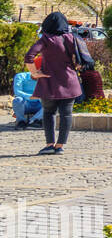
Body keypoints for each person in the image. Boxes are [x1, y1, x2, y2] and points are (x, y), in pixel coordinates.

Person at [23, 12, 90, 155]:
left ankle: (49, 144)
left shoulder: (46, 39)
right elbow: (81, 61)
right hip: (69, 81)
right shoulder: (72, 38)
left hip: (49, 82)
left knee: (48, 113)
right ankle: (60, 146)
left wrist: (35, 73)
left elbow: (29, 57)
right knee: (66, 115)